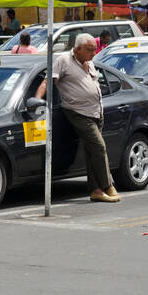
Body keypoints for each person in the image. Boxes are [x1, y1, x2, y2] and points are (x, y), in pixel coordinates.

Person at [36, 33, 119, 203]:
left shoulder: (89, 62)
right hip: (78, 112)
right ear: (78, 48)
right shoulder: (64, 60)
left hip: (96, 111)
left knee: (91, 151)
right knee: (98, 146)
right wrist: (37, 101)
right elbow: (47, 82)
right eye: (89, 50)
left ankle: (95, 190)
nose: (93, 53)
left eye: (94, 50)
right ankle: (108, 185)